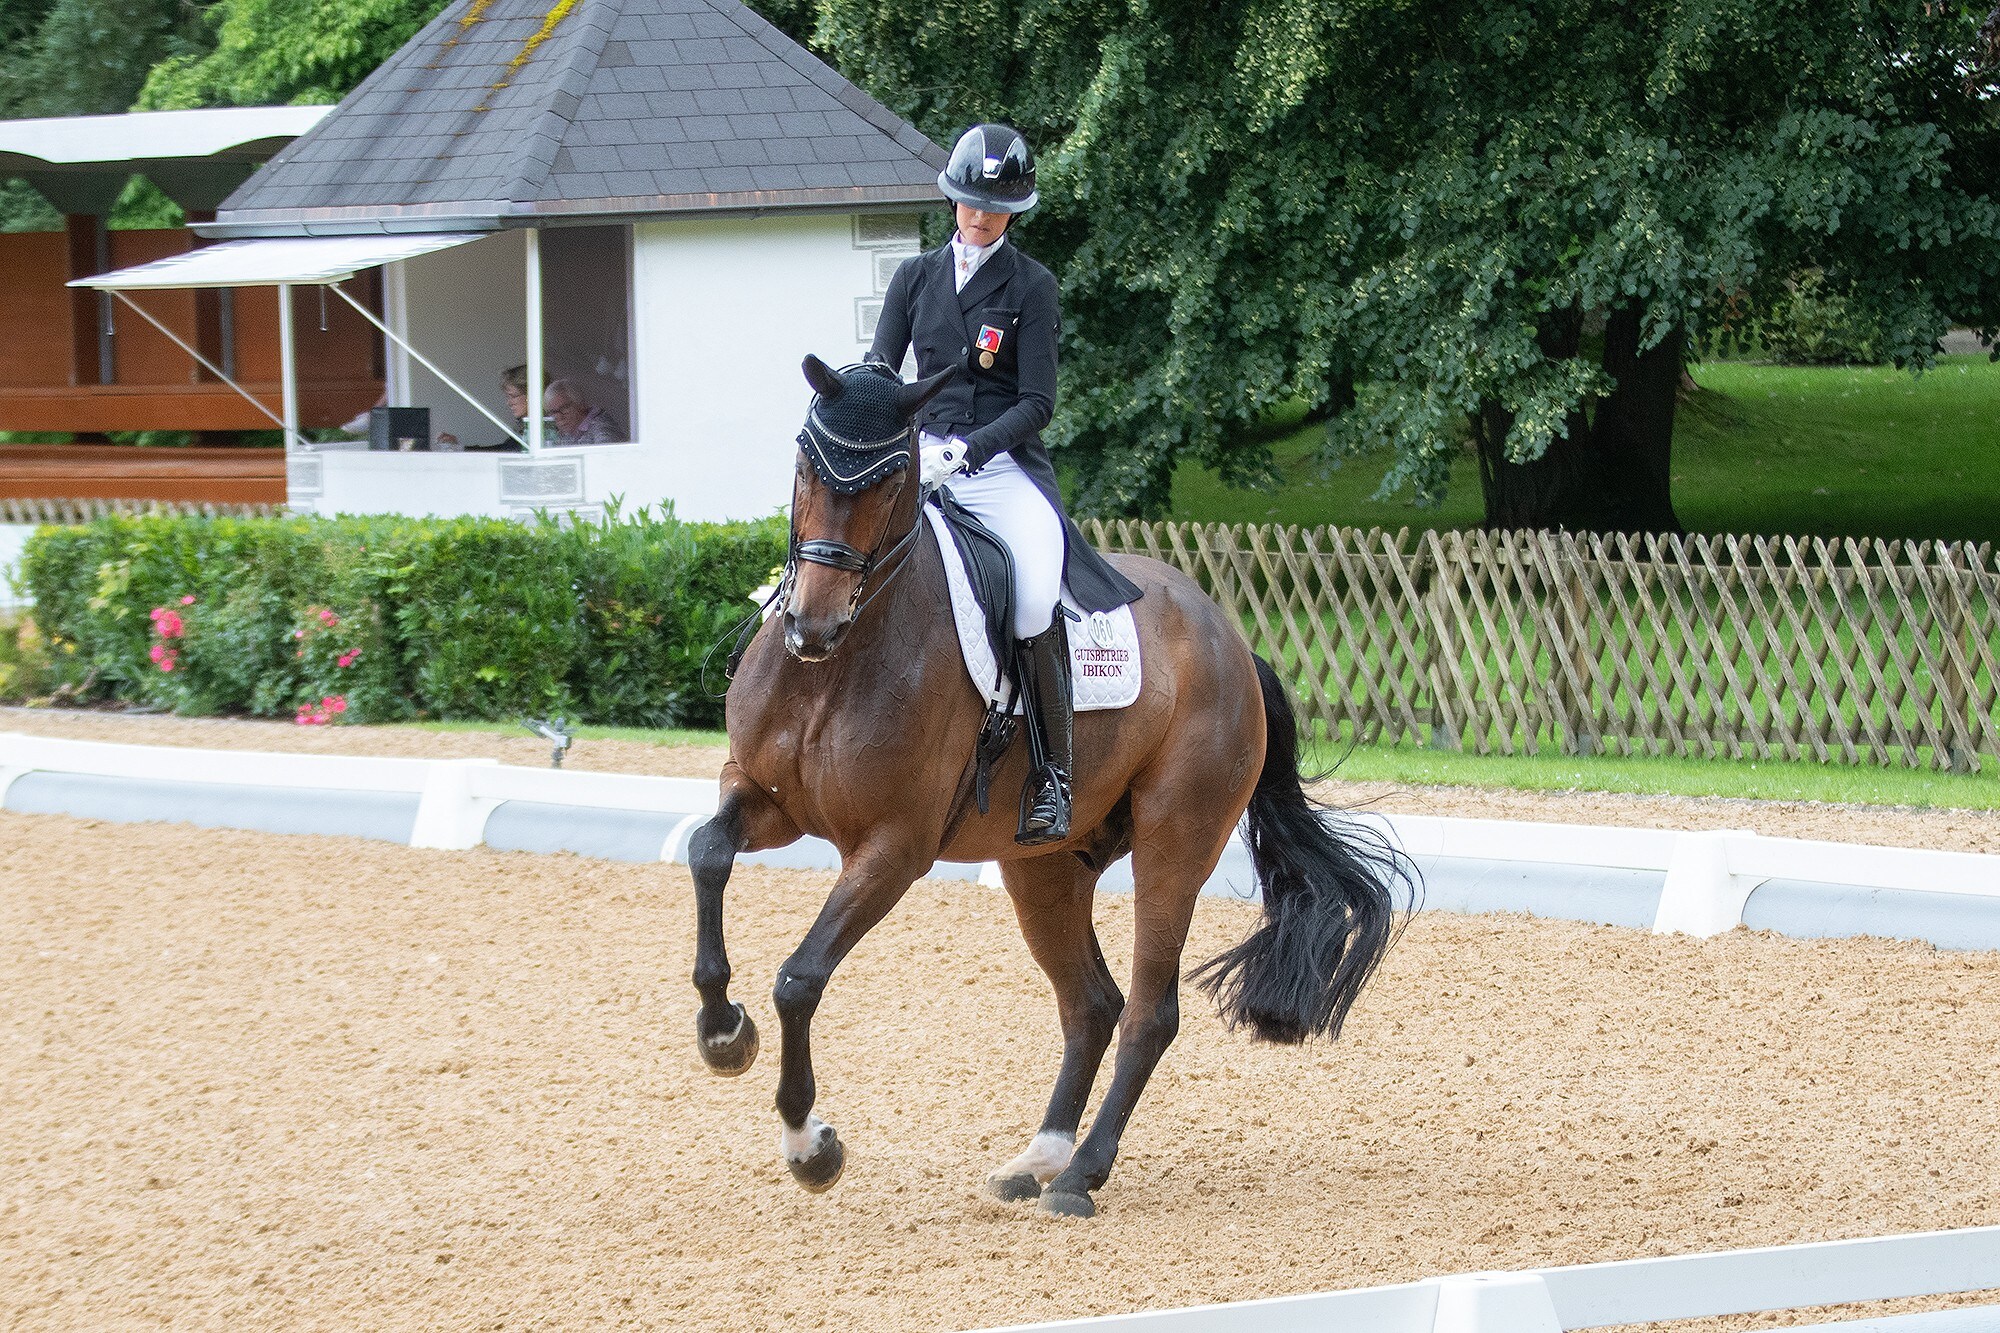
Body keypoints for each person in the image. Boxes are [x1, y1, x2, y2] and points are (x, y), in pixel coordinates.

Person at [866, 123, 1140, 846]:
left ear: (1013, 211)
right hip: (920, 461)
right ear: (952, 202)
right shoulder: (913, 278)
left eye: (993, 207)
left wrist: (972, 448)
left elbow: (1038, 402)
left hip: (1001, 469)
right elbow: (880, 370)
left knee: (1029, 597)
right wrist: (879, 431)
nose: (979, 217)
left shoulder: (1032, 286)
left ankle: (1053, 774)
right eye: (968, 203)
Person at [545, 377, 622, 446]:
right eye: (553, 412)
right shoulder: (563, 434)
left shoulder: (603, 428)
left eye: (564, 408)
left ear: (580, 404)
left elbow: (606, 457)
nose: (559, 417)